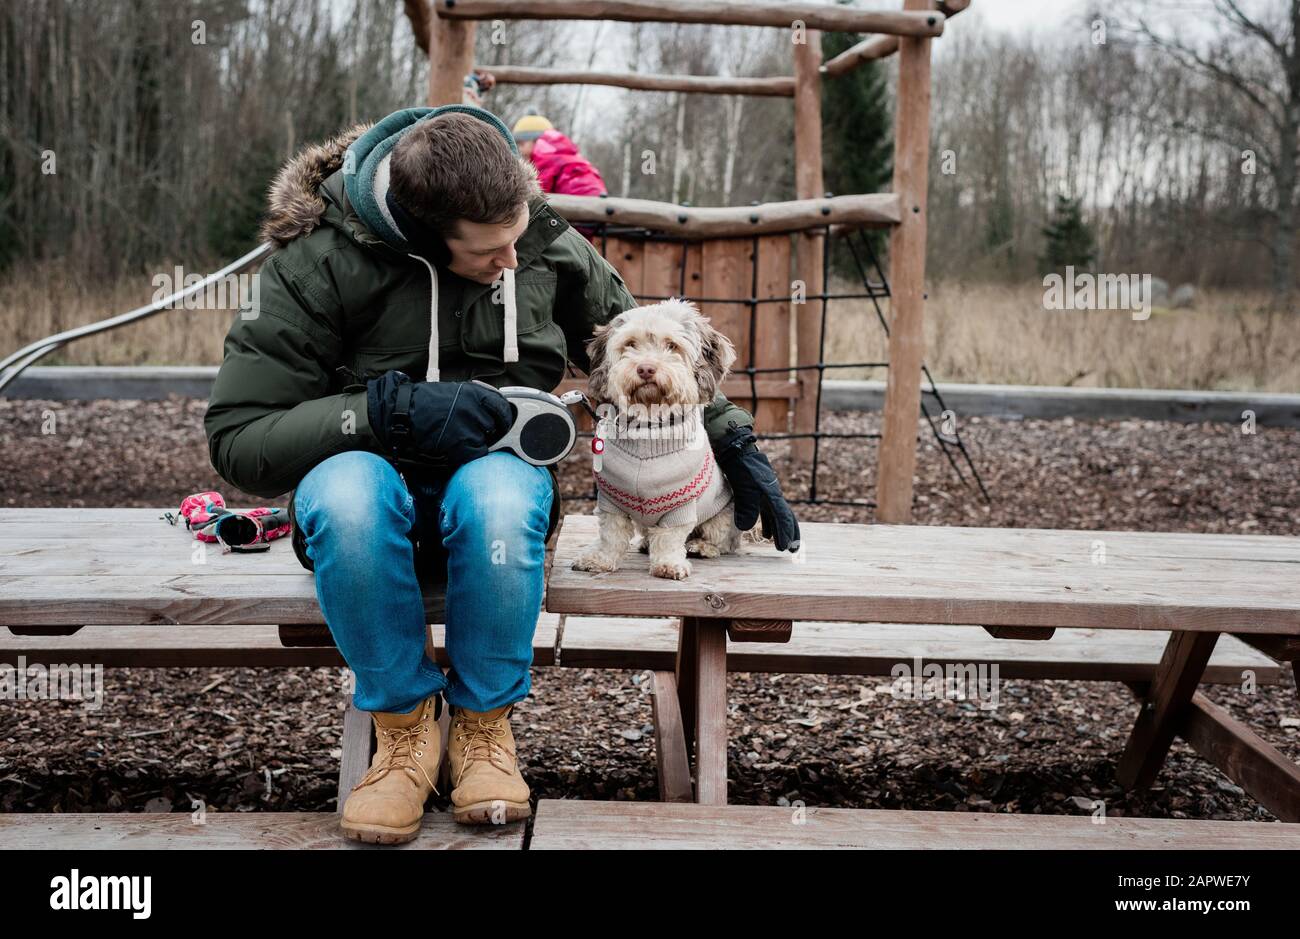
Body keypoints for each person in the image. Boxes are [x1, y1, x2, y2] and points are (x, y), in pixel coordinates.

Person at [203, 105, 800, 844]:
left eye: (518, 236)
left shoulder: (538, 237)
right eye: (490, 251)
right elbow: (238, 438)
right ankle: (404, 729)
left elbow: (645, 341)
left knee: (498, 493)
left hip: (496, 494)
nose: (513, 260)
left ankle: (484, 728)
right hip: (365, 485)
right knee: (350, 496)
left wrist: (732, 441)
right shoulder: (317, 261)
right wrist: (381, 412)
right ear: (423, 235)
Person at [511, 112, 607, 197]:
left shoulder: (545, 158)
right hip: (599, 195)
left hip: (578, 202)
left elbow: (540, 191)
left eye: (521, 143)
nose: (519, 148)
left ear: (536, 141)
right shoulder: (568, 154)